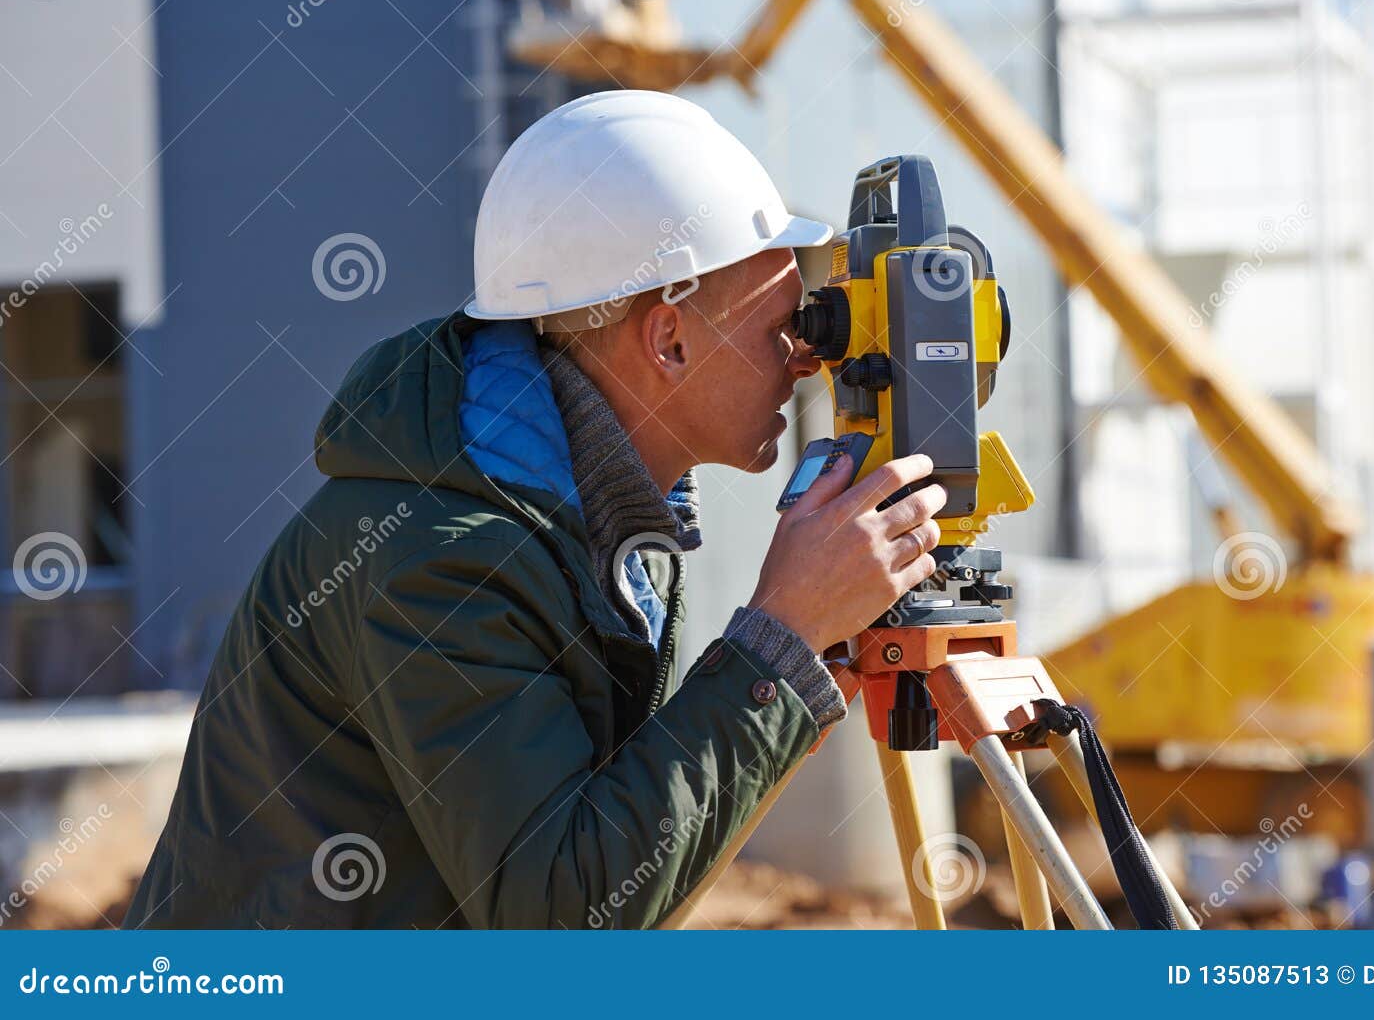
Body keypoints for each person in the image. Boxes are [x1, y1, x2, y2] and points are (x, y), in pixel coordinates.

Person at [125, 90, 945, 928]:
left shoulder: (594, 521)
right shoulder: (439, 558)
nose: (807, 358)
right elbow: (563, 914)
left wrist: (804, 662)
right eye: (780, 324)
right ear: (669, 339)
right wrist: (779, 642)